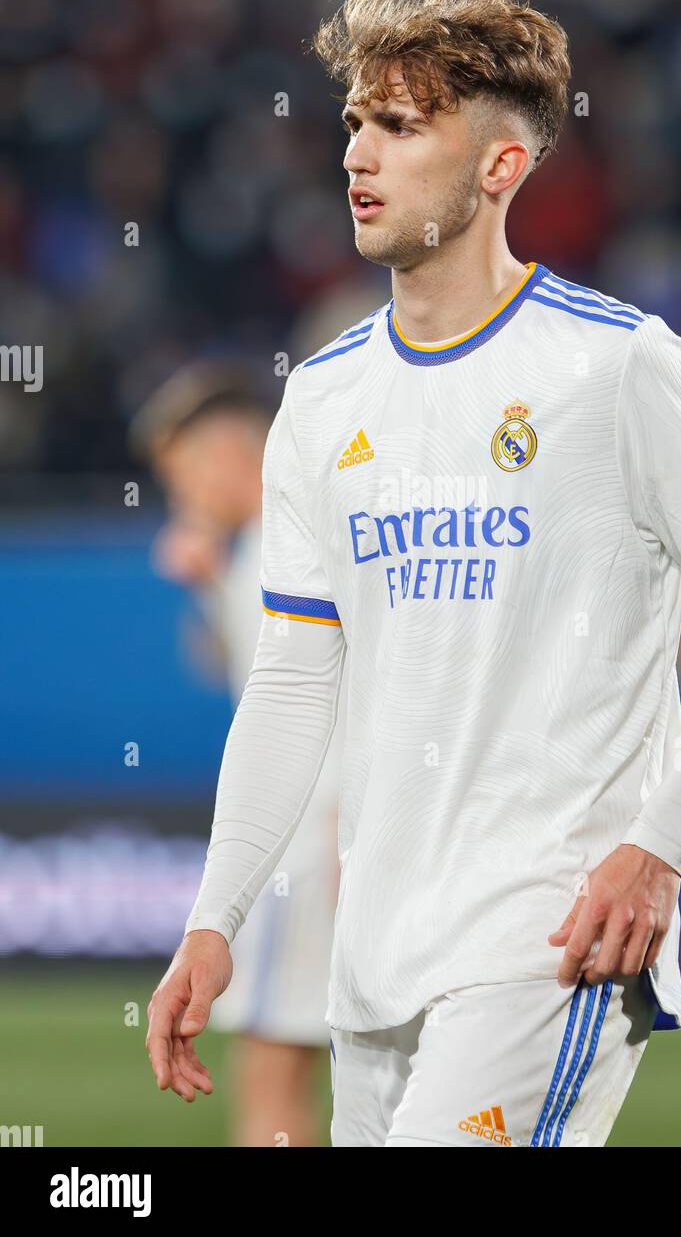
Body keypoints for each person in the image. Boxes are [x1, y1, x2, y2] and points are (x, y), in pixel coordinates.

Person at [146, 0, 681, 1147]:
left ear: (501, 166)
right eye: (355, 121)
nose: (358, 153)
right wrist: (216, 912)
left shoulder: (618, 369)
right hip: (373, 960)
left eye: (401, 127)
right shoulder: (320, 399)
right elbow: (293, 681)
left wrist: (656, 848)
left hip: (547, 941)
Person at [131, 364, 341, 1146]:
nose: (179, 498)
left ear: (227, 456)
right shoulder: (274, 549)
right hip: (322, 838)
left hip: (305, 845)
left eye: (181, 475)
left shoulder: (274, 555)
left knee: (271, 1079)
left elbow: (318, 707)